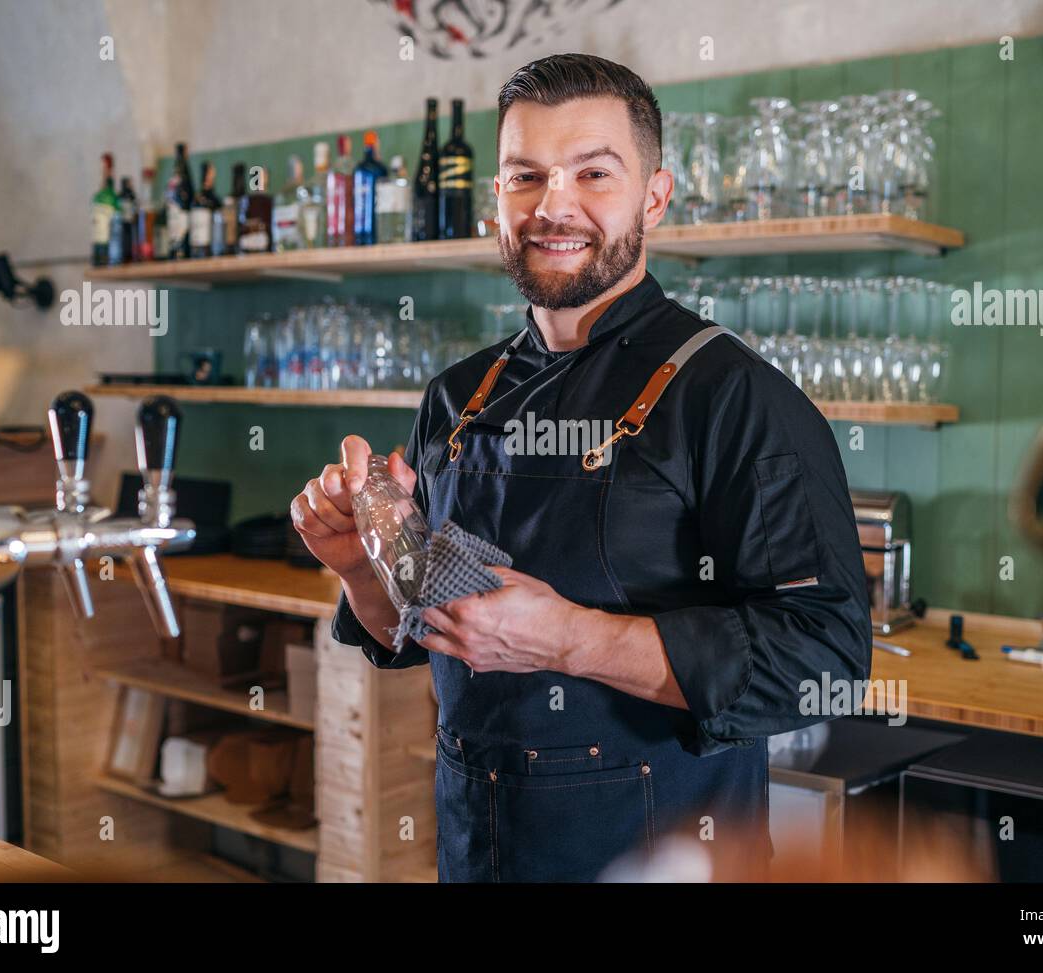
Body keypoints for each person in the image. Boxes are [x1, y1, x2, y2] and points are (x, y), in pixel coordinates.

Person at [291, 52, 872, 883]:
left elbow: (829, 661)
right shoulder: (456, 397)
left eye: (593, 173)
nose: (553, 206)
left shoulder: (735, 396)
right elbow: (417, 628)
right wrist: (359, 567)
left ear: (655, 196)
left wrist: (572, 640)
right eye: (524, 176)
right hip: (479, 850)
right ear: (496, 197)